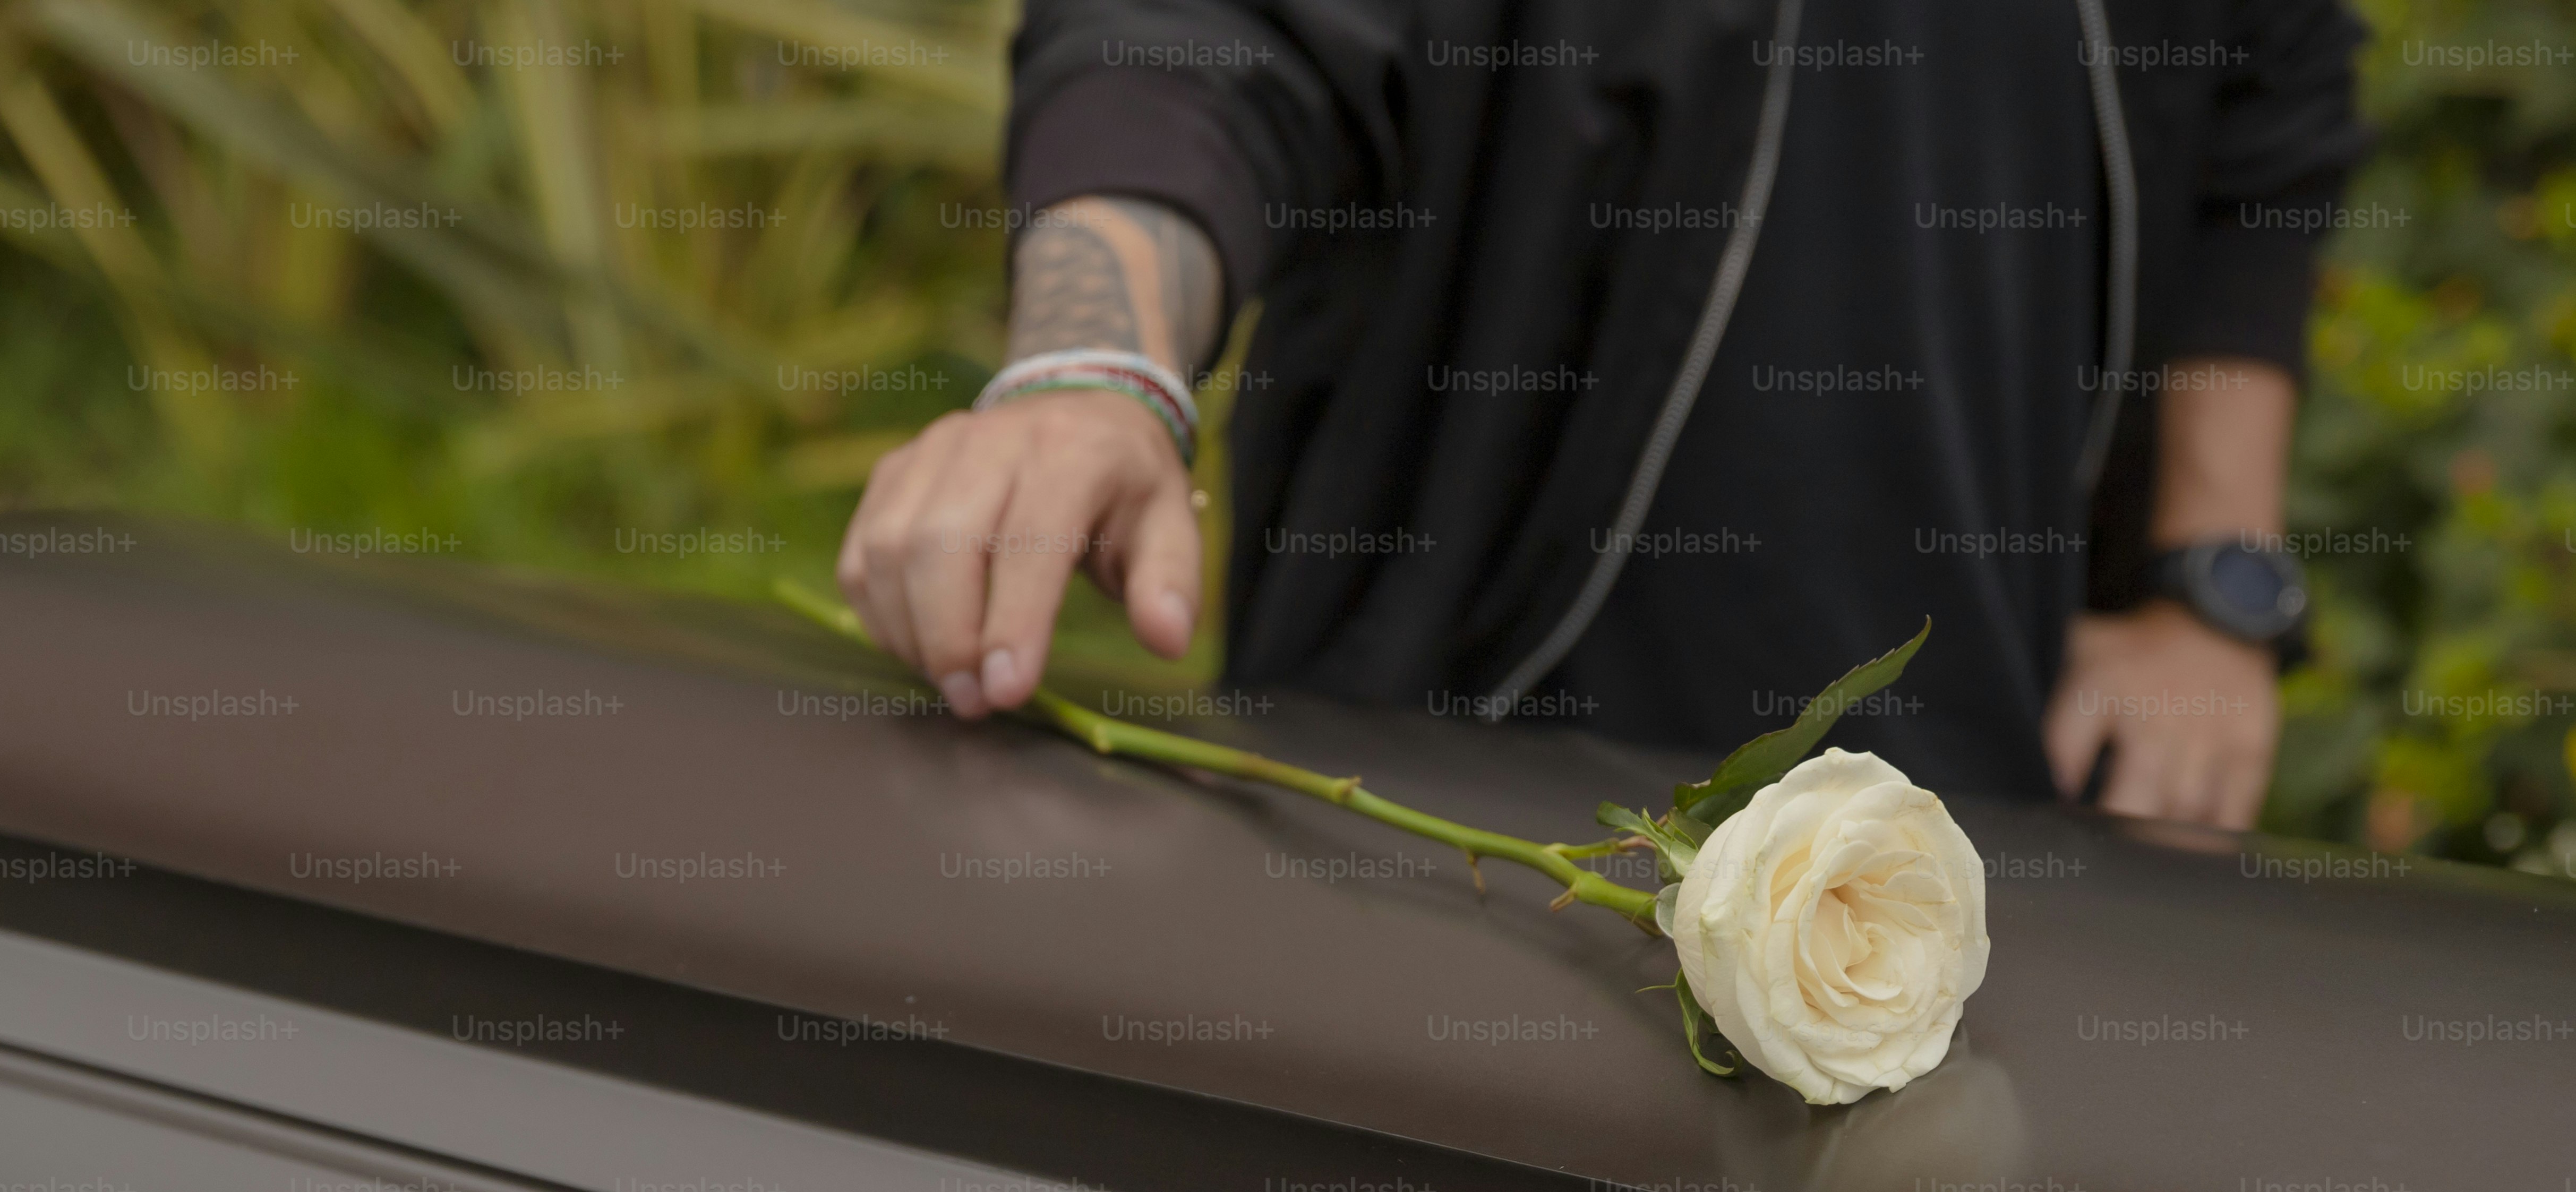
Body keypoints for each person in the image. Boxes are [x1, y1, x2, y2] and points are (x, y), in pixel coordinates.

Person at [836, 0, 2373, 828]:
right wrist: (1095, 372)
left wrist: (2209, 591)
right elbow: (1200, 42)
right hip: (1460, 840)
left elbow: (2266, 132)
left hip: (1980, 861)